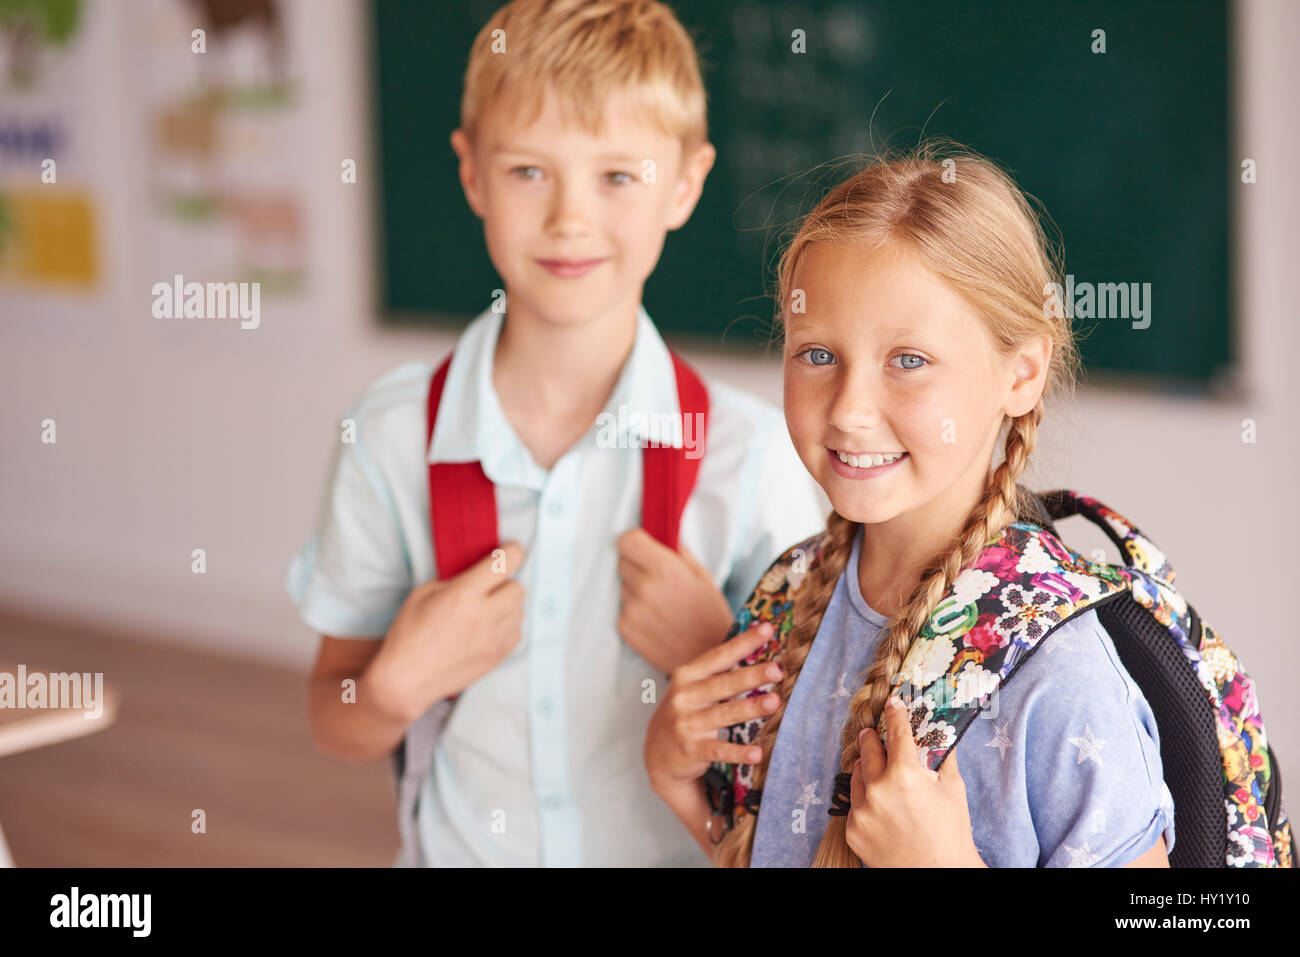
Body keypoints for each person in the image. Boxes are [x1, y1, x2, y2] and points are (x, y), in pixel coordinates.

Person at [286, 0, 825, 867]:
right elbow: (333, 714)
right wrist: (393, 683)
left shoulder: (748, 454)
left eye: (617, 176)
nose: (570, 218)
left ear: (685, 183)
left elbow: (812, 750)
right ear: (472, 174)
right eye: (530, 171)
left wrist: (708, 651)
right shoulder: (389, 439)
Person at [645, 140, 1177, 867]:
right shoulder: (787, 599)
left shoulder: (1059, 670)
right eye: (817, 354)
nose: (851, 411)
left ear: (1021, 372)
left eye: (909, 361)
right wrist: (681, 784)